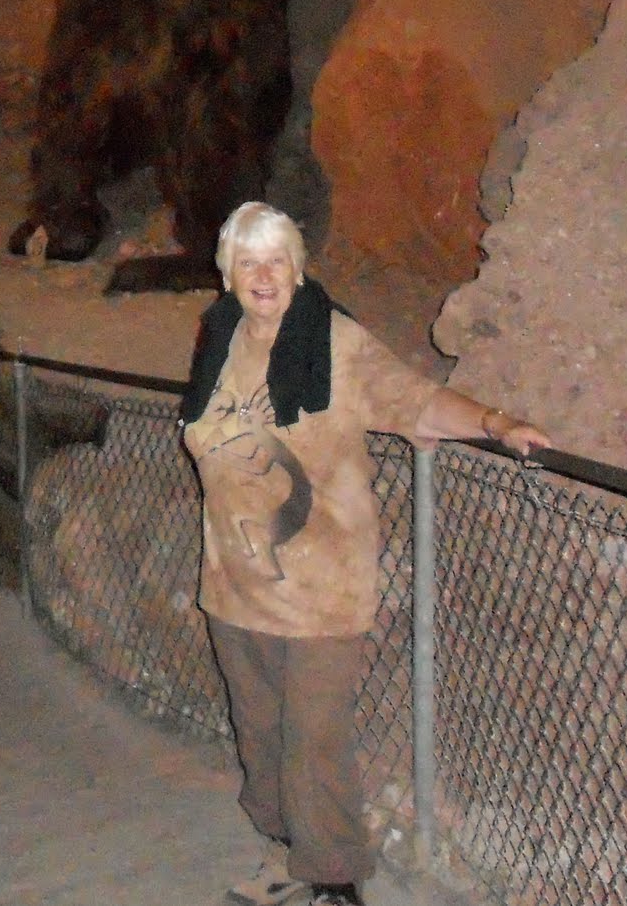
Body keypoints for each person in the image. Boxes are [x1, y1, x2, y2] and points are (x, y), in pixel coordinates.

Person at [180, 202, 550, 906]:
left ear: (298, 269)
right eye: (248, 262)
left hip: (320, 587)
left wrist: (495, 423)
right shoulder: (218, 337)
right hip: (233, 584)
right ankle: (286, 852)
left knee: (312, 738)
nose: (264, 275)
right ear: (226, 274)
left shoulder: (334, 342)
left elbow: (414, 399)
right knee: (257, 731)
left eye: (277, 260)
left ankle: (335, 876)